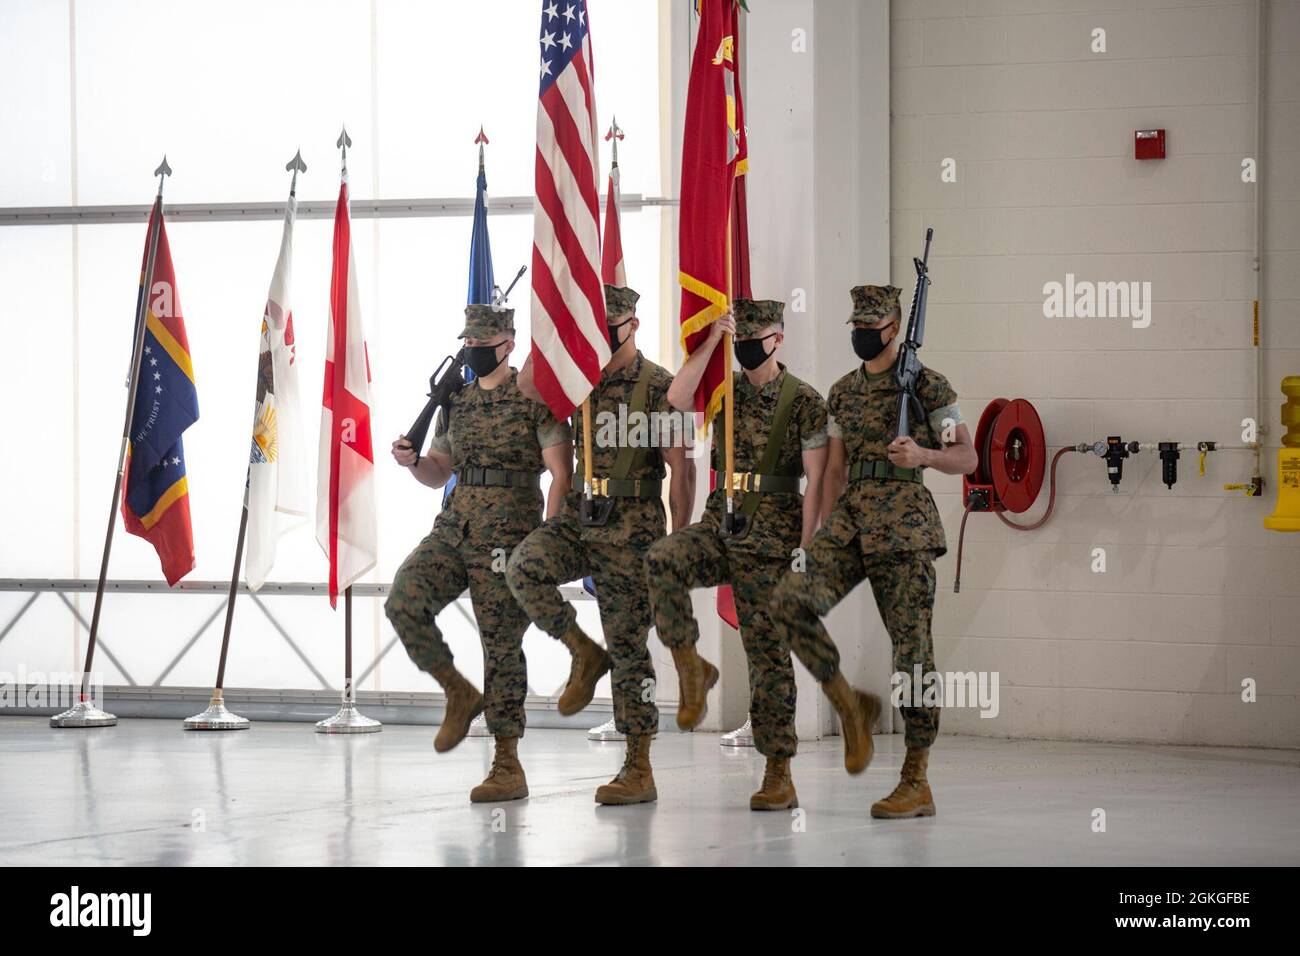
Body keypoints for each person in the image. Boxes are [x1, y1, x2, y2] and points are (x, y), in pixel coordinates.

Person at [769, 285, 977, 819]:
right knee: (789, 603)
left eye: (872, 326)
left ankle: (916, 778)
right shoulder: (842, 391)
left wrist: (924, 454)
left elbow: (968, 457)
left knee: (912, 655)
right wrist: (818, 538)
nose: (862, 334)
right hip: (852, 520)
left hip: (904, 526)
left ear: (894, 327)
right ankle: (849, 703)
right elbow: (834, 470)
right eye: (856, 325)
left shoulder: (930, 386)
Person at [508, 284, 695, 805]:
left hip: (632, 529)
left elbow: (682, 467)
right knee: (523, 568)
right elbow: (526, 384)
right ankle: (581, 652)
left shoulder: (660, 386)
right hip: (578, 517)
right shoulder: (577, 376)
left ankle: (638, 765)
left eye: (609, 326)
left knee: (630, 648)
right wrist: (554, 332)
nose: (601, 335)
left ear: (632, 325)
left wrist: (677, 543)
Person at [385, 304, 572, 804]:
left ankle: (507, 762)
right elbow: (439, 472)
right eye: (468, 343)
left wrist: (548, 541)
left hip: (508, 533)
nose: (473, 352)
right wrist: (413, 462)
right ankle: (457, 690)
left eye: (483, 345)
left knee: (501, 642)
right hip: (455, 526)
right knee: (403, 598)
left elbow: (561, 474)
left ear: (507, 345)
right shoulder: (457, 402)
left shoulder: (534, 401)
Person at [646, 298, 828, 811]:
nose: (746, 345)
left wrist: (807, 548)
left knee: (767, 656)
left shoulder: (805, 401)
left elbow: (815, 481)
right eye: (740, 337)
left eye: (755, 336)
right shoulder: (724, 393)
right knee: (661, 559)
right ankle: (691, 666)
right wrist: (710, 340)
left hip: (770, 541)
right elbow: (676, 400)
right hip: (719, 526)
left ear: (778, 339)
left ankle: (778, 772)